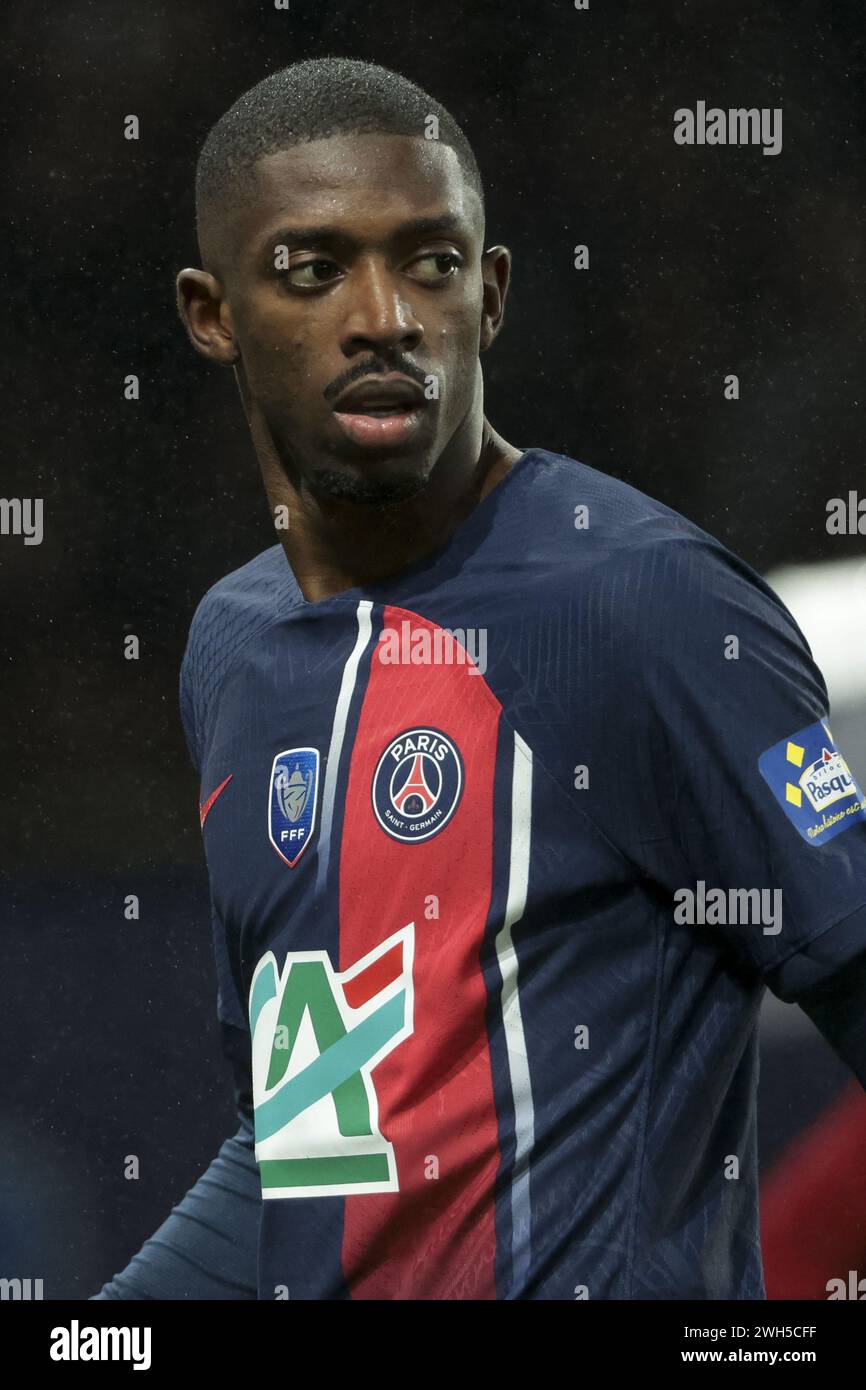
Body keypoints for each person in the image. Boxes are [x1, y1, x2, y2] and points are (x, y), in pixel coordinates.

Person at [94, 56, 866, 1301]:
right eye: (312, 268)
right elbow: (311, 1147)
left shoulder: (645, 605)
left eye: (430, 262)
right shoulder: (229, 649)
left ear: (491, 293)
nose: (385, 315)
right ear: (209, 312)